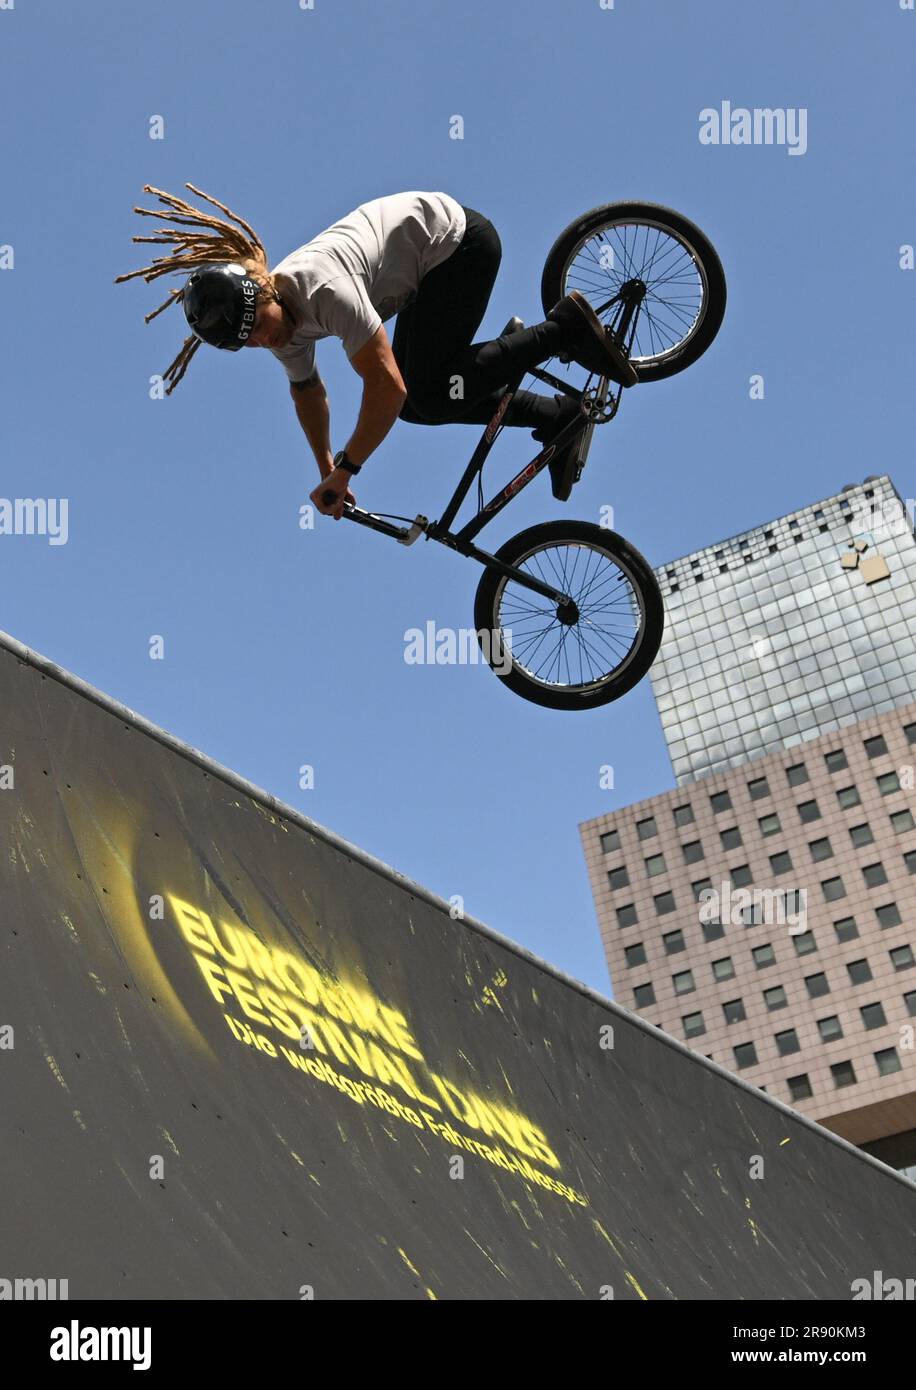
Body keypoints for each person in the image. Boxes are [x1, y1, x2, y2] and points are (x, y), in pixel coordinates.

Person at [116, 184, 636, 515]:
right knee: (417, 406)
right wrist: (325, 467)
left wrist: (349, 468)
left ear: (264, 293)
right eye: (247, 343)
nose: (263, 341)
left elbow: (384, 385)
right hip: (422, 276)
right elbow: (307, 391)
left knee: (420, 394)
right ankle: (560, 416)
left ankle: (564, 329)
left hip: (458, 246)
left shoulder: (320, 288)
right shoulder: (280, 328)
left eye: (258, 328)